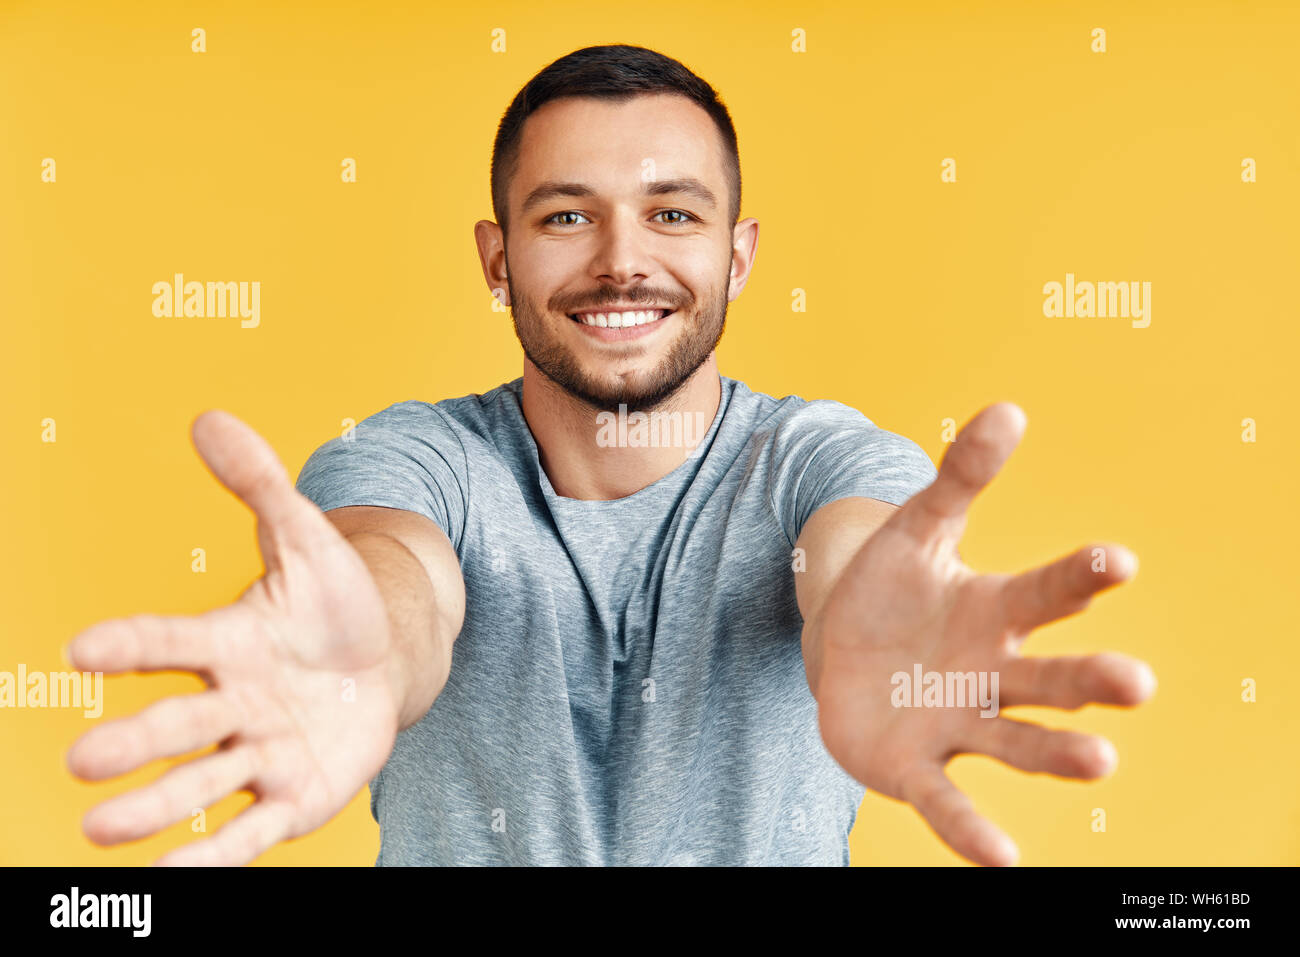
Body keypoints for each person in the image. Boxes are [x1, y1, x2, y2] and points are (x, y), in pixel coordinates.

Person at [65, 44, 1156, 866]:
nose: (622, 262)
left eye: (672, 214)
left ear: (738, 257)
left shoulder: (822, 462)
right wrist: (367, 658)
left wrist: (886, 634)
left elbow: (855, 569)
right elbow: (395, 579)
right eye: (564, 218)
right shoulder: (410, 457)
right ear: (497, 259)